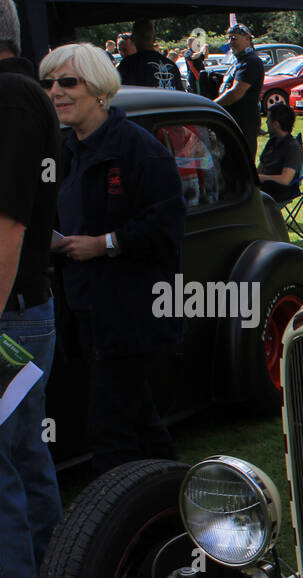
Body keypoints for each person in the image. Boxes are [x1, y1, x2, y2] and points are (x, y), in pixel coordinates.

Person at [41, 43, 186, 477]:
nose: (55, 92)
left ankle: (116, 530)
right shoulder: (67, 149)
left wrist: (104, 243)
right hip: (85, 307)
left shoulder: (139, 150)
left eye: (68, 82)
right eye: (48, 83)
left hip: (129, 311)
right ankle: (175, 496)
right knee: (137, 417)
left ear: (100, 90)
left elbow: (165, 226)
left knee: (109, 433)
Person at [0, 0, 61, 578]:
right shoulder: (20, 93)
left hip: (11, 312)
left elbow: (9, 227)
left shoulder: (12, 98)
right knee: (25, 466)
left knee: (6, 476)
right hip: (21, 309)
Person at [215, 23, 264, 158]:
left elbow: (236, 92)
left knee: (241, 167)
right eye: (229, 39)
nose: (230, 43)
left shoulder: (251, 62)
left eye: (234, 38)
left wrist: (212, 106)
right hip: (233, 122)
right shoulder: (239, 61)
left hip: (244, 124)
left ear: (248, 38)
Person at [116, 19, 184, 91]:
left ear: (133, 38)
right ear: (154, 39)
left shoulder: (128, 65)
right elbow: (181, 96)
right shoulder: (171, 66)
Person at [257, 103, 303, 202]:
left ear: (276, 124)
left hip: (277, 191)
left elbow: (285, 180)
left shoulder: (292, 147)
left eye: (268, 119)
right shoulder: (272, 142)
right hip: (261, 187)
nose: (266, 122)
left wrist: (259, 178)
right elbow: (260, 167)